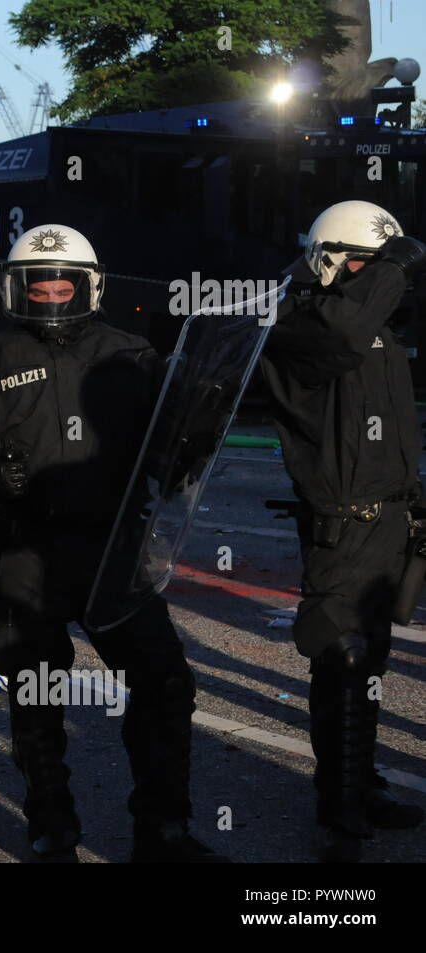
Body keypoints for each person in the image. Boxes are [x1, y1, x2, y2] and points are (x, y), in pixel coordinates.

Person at [0, 224, 225, 863]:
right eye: (41, 284)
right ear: (16, 287)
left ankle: (163, 829)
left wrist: (198, 421)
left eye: (65, 282)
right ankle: (52, 824)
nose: (53, 294)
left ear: (90, 286)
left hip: (116, 551)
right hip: (25, 552)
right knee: (36, 692)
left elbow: (171, 452)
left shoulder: (132, 356)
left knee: (165, 683)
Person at [258, 200, 426, 862]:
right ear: (324, 258)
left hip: (392, 519)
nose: (370, 277)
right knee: (344, 659)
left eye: (376, 268)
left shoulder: (369, 319)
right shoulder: (302, 320)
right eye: (358, 263)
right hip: (342, 523)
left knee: (370, 665)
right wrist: (394, 263)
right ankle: (342, 810)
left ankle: (359, 785)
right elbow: (343, 332)